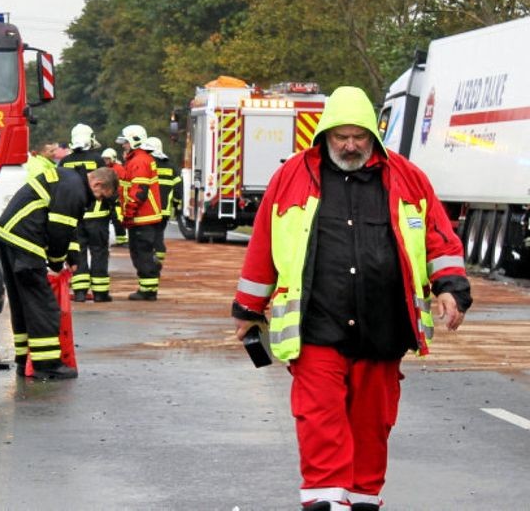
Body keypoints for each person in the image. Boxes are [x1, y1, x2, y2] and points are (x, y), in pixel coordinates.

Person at [231, 86, 471, 511]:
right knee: (320, 422)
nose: (349, 144)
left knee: (372, 426)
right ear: (324, 134)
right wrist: (248, 309)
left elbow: (438, 238)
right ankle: (325, 502)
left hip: (384, 327)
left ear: (373, 137)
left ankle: (362, 501)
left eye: (358, 136)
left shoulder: (407, 177)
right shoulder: (291, 177)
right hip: (316, 327)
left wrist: (451, 288)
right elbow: (264, 246)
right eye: (340, 136)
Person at [0, 165, 117, 379]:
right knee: (43, 305)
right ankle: (46, 365)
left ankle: (24, 361)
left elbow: (70, 228)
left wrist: (74, 257)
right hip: (24, 243)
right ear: (97, 184)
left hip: (9, 239)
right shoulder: (74, 190)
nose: (99, 202)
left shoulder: (70, 180)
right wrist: (57, 264)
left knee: (24, 304)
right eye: (102, 196)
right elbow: (59, 233)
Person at [59, 124, 113, 302]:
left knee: (78, 251)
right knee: (99, 251)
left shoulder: (65, 161)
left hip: (75, 215)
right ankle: (100, 293)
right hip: (97, 214)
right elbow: (106, 184)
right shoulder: (97, 160)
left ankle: (80, 292)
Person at [116, 124, 162, 300]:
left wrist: (128, 213)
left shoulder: (139, 161)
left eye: (125, 142)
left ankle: (148, 290)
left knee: (141, 253)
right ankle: (147, 286)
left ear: (134, 141)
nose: (123, 146)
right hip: (142, 216)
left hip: (142, 217)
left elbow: (139, 191)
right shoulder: (137, 159)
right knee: (140, 253)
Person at [141, 136, 182, 268]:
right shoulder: (171, 167)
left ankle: (149, 262)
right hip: (164, 211)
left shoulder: (146, 165)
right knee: (159, 236)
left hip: (147, 210)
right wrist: (176, 204)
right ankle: (158, 262)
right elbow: (178, 189)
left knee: (146, 237)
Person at [101, 147, 128, 247]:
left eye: (107, 159)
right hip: (107, 197)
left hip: (116, 198)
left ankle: (122, 240)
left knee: (118, 219)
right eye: (104, 159)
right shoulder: (105, 169)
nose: (105, 161)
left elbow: (122, 184)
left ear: (113, 158)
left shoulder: (119, 168)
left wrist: (118, 197)